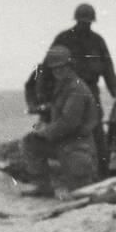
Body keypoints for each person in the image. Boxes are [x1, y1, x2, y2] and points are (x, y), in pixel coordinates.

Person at [20, 46, 101, 197]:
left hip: (78, 146)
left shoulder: (76, 89)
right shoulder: (64, 86)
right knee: (31, 142)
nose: (58, 72)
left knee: (80, 194)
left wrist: (46, 131)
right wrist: (45, 126)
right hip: (63, 142)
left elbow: (69, 123)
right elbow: (59, 114)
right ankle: (42, 186)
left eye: (62, 68)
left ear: (69, 66)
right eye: (55, 69)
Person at [50, 3, 116, 174]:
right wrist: (43, 94)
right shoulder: (63, 39)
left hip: (91, 90)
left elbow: (108, 67)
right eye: (83, 21)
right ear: (77, 20)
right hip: (66, 90)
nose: (85, 25)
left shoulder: (97, 41)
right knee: (63, 128)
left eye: (88, 22)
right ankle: (65, 171)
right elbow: (48, 65)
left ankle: (103, 172)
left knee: (95, 131)